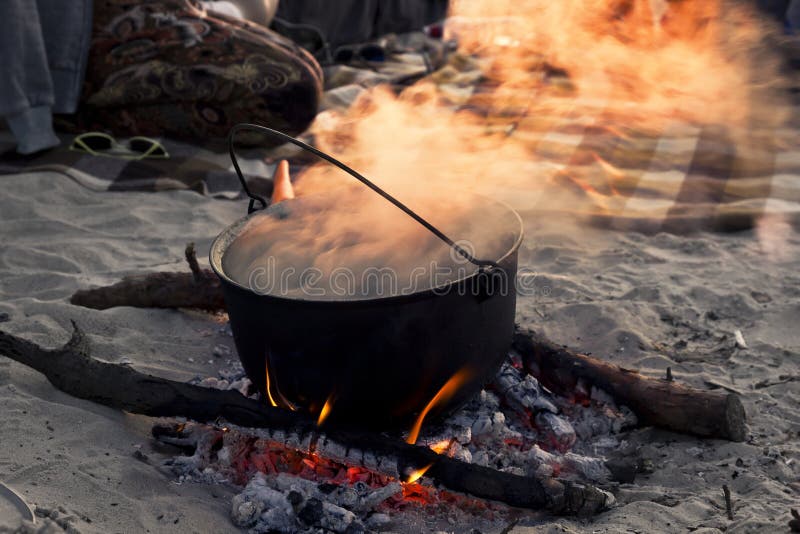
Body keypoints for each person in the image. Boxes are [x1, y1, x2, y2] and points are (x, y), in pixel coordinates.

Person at [0, 0, 322, 155]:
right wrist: (32, 115)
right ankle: (81, 113)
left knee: (309, 69)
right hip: (74, 39)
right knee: (292, 92)